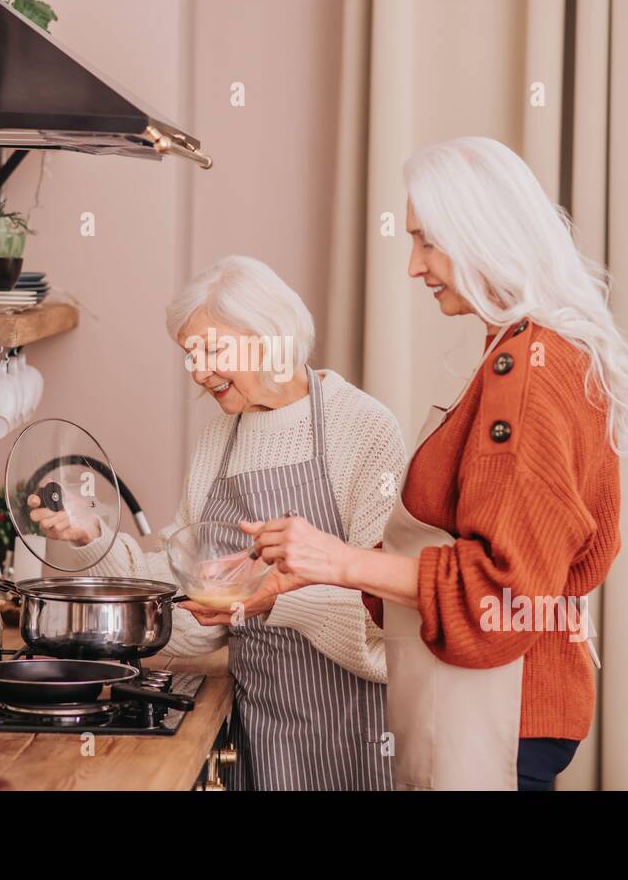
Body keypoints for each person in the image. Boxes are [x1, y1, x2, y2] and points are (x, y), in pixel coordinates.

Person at [241, 137, 628, 790]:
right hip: (507, 708)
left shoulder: (530, 373)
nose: (413, 266)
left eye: (427, 241)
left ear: (481, 235)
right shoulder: (533, 352)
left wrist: (338, 559)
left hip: (496, 711)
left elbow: (502, 594)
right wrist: (308, 573)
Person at [27, 255, 406, 790]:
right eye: (190, 356)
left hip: (356, 730)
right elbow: (191, 608)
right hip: (260, 727)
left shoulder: (363, 430)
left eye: (212, 350)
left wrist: (274, 597)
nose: (199, 372)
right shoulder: (217, 441)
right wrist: (95, 539)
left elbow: (386, 622)